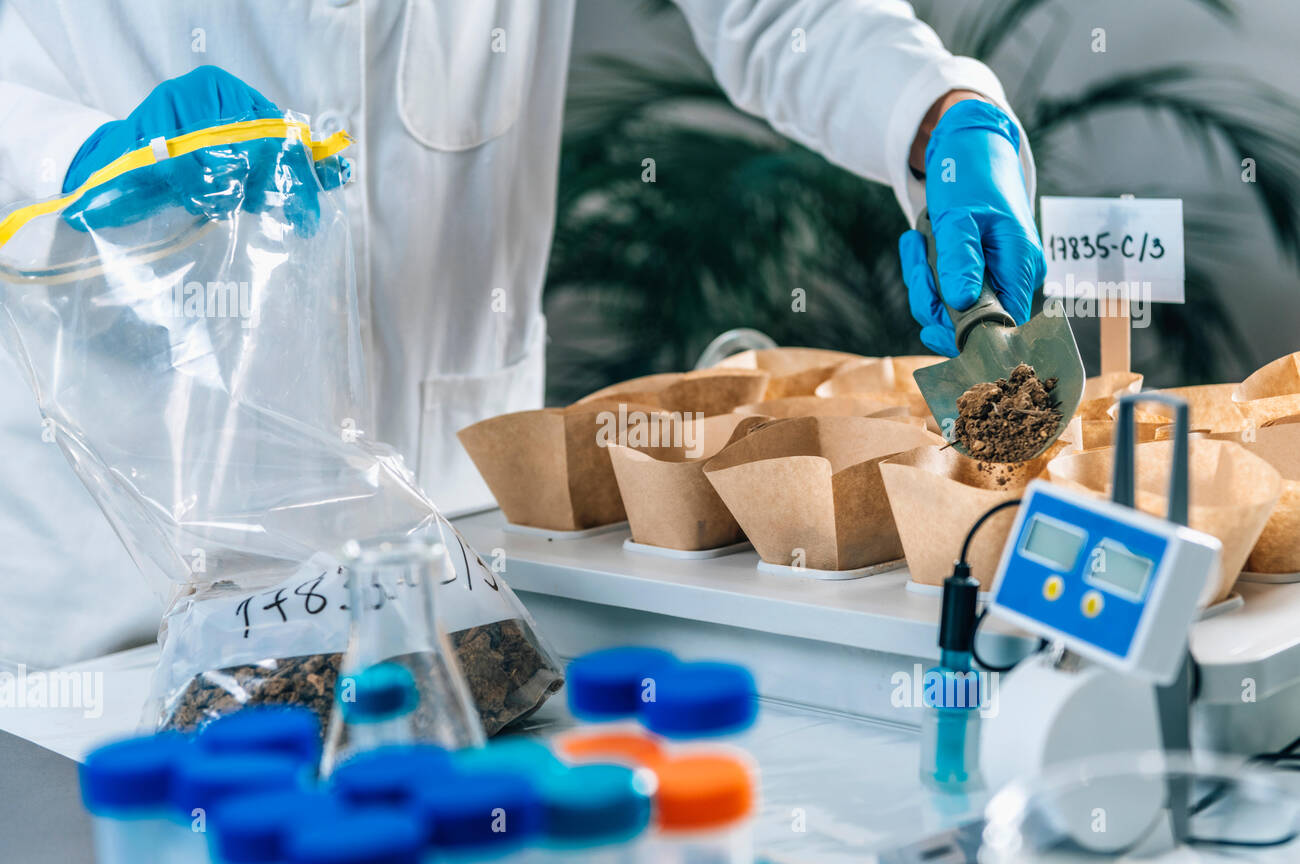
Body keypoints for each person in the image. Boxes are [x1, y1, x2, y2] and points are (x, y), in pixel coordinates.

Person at [0, 0, 1043, 667]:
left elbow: (780, 14)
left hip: (446, 563)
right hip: (120, 584)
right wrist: (66, 156)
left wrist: (939, 111)